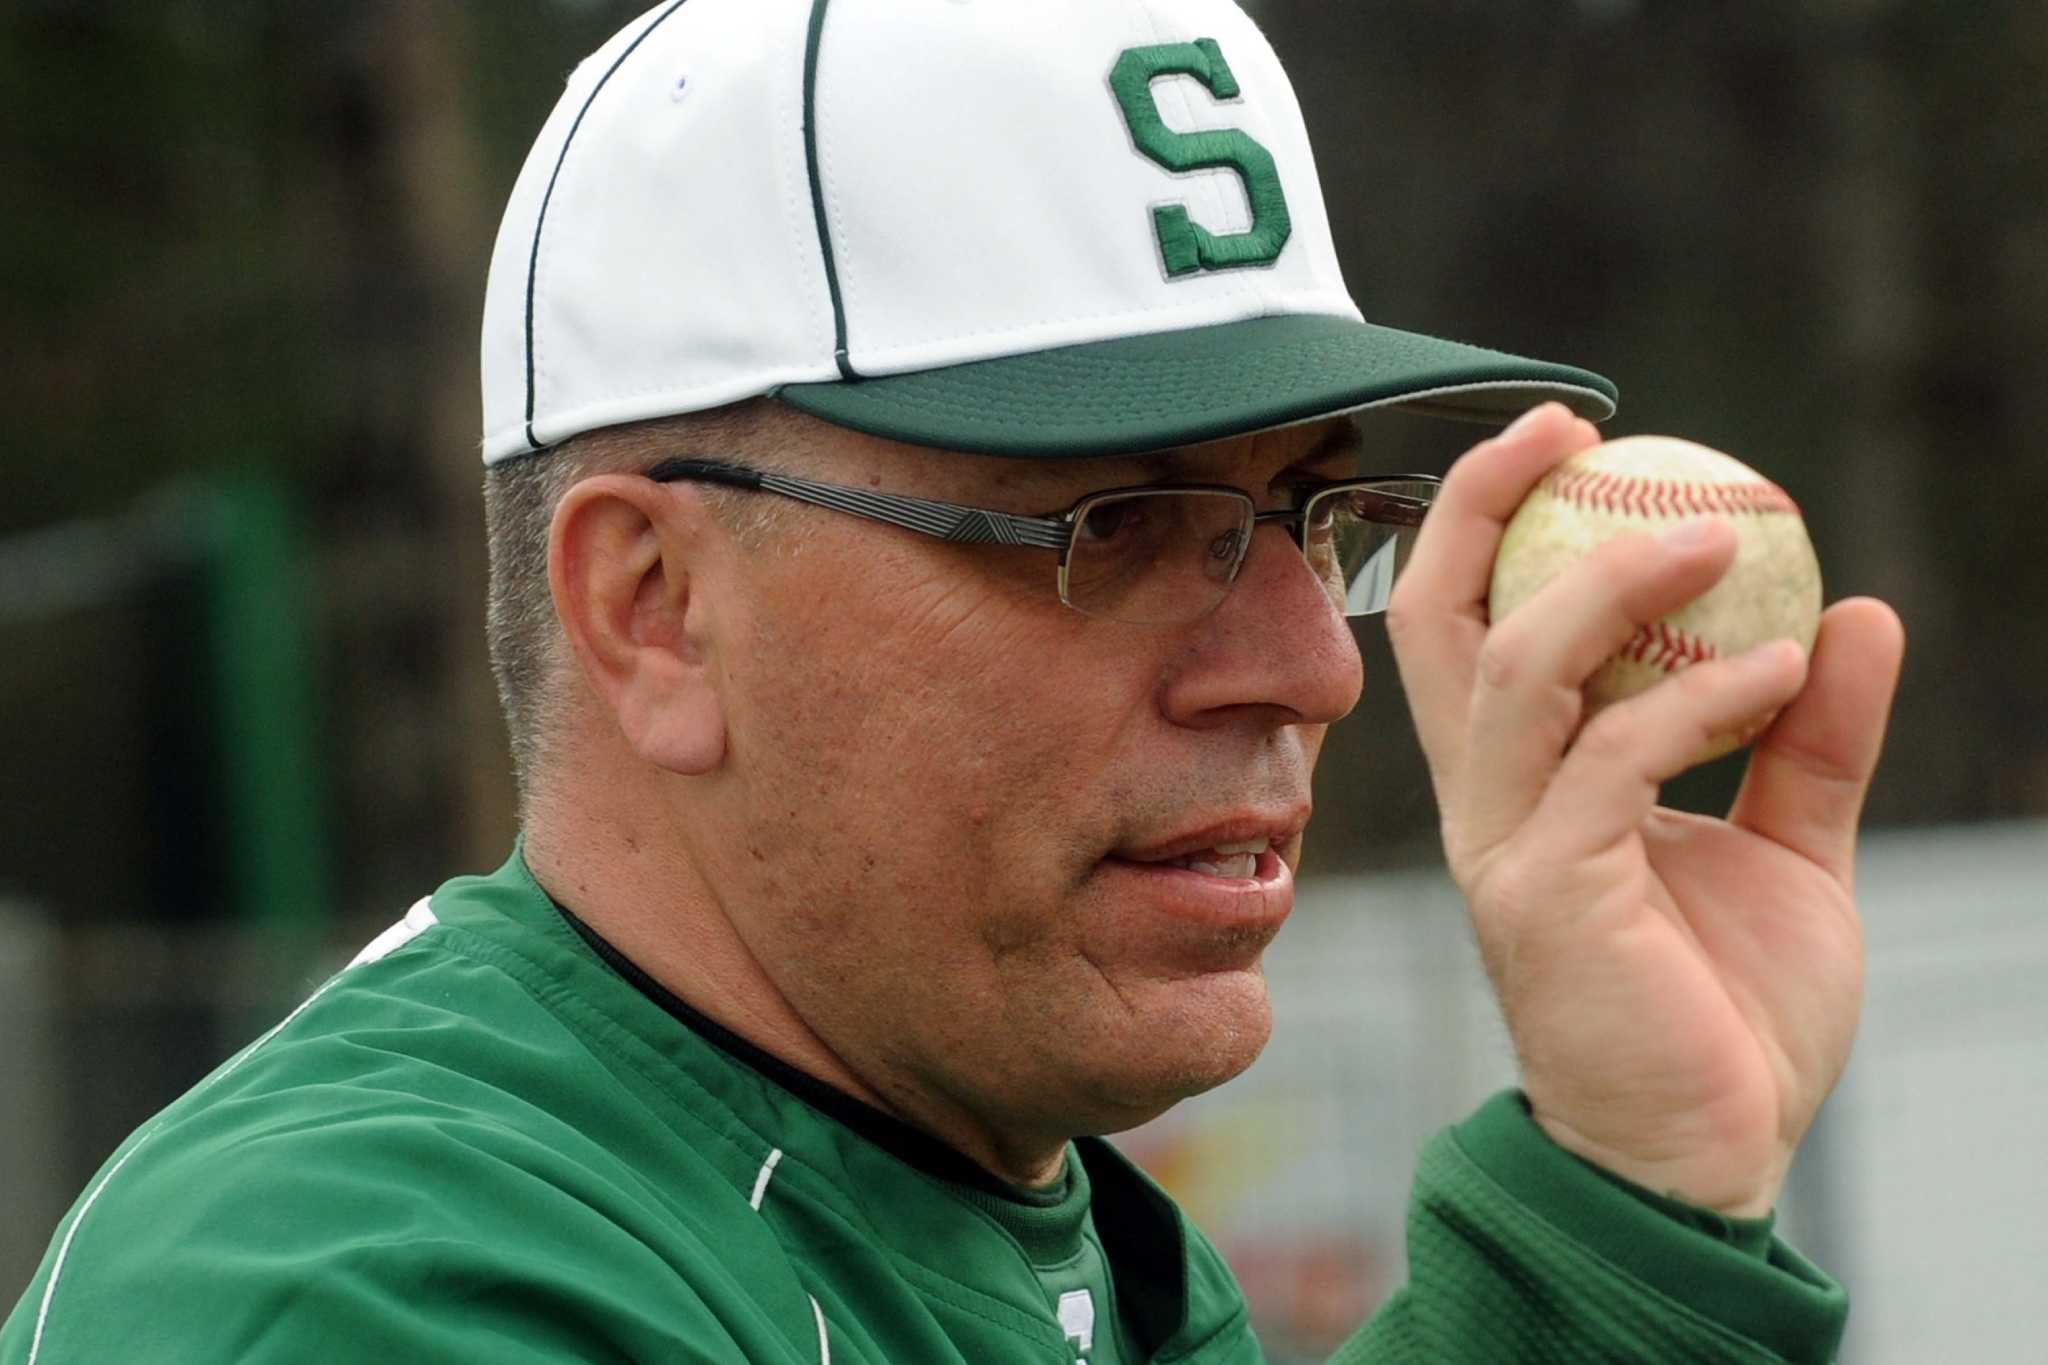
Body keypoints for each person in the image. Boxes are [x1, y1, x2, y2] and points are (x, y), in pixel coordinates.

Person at [4, 0, 1904, 1361]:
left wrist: (1629, 1188)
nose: (1316, 664)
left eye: (1316, 518)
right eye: (1117, 522)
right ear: (657, 609)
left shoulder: (1003, 1211)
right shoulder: (355, 1285)